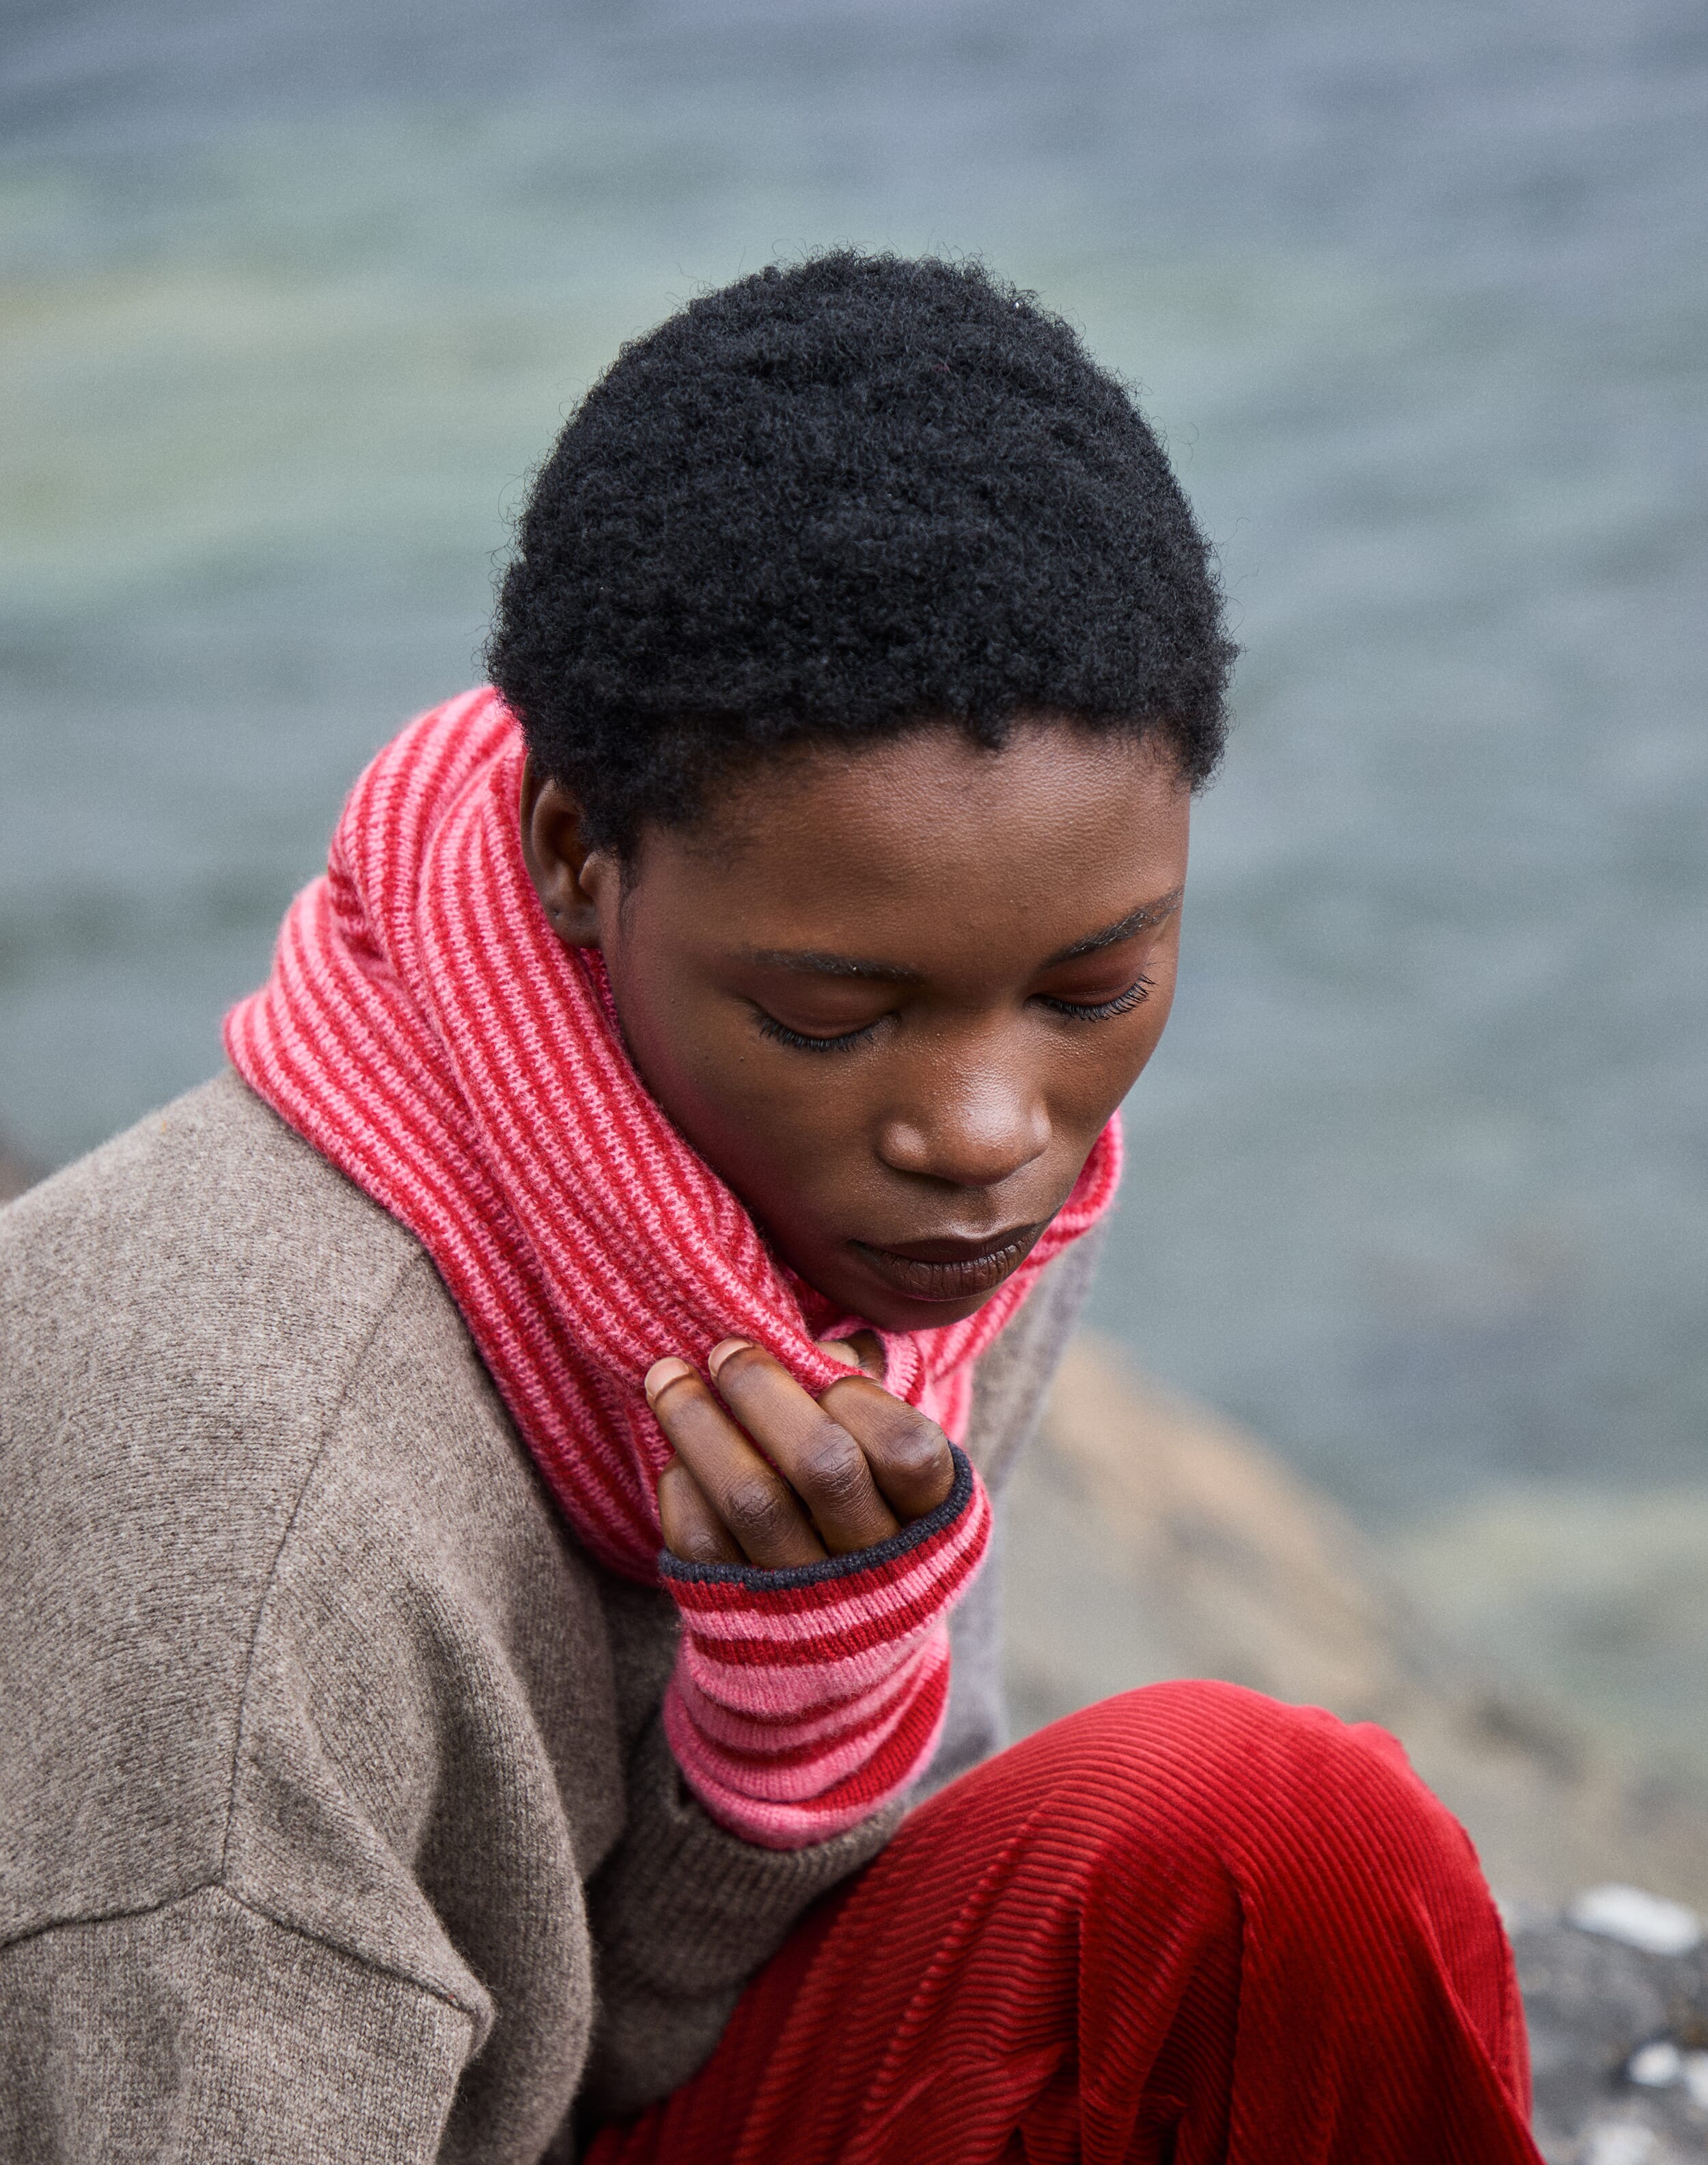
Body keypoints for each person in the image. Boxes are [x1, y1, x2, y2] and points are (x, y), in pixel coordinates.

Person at [0, 253, 1541, 2162]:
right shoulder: (244, 1532)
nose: (989, 1131)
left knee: (1271, 1843)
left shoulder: (870, 1219)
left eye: (1092, 988)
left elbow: (640, 2042)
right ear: (578, 854)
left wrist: (799, 1717)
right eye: (833, 1012)